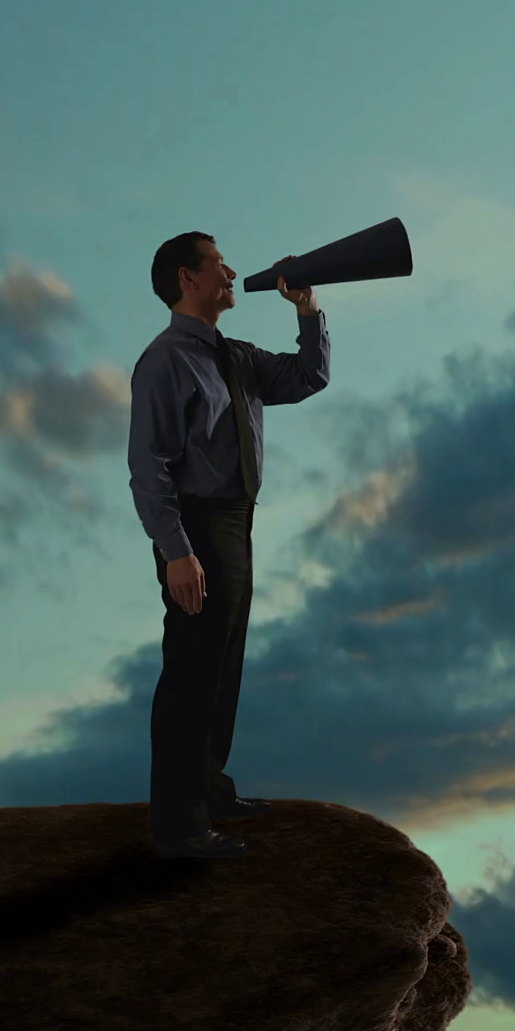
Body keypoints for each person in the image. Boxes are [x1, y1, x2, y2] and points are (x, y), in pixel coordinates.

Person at [129, 231, 330, 859]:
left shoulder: (236, 356)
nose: (232, 271)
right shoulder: (165, 361)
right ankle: (180, 829)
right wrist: (176, 551)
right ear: (188, 278)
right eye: (219, 263)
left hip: (238, 520)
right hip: (195, 525)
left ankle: (210, 789)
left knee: (224, 664)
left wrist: (306, 310)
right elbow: (148, 466)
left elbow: (308, 376)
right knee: (191, 672)